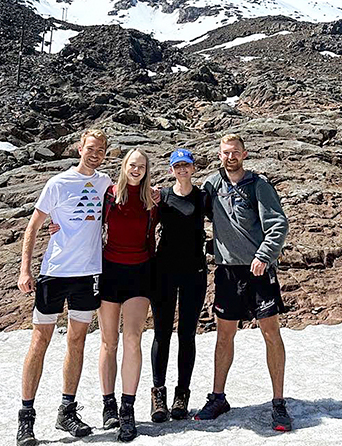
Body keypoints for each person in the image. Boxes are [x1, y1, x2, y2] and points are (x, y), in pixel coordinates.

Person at [16, 129, 111, 446]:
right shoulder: (58, 183)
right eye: (90, 148)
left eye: (101, 149)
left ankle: (67, 411)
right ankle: (26, 418)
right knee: (40, 340)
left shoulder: (105, 182)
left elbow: (129, 195)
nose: (95, 154)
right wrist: (25, 270)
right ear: (79, 148)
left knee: (77, 340)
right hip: (55, 273)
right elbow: (33, 226)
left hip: (88, 274)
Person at [194, 133, 293, 432]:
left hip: (258, 271)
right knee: (224, 336)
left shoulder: (258, 185)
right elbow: (191, 206)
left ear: (244, 154)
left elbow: (278, 223)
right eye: (226, 152)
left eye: (235, 151)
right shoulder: (212, 185)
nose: (231, 156)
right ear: (219, 155)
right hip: (227, 272)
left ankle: (278, 402)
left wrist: (264, 255)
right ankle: (218, 397)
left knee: (271, 333)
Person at [96, 149, 159, 442]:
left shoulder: (151, 200)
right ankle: (108, 404)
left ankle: (127, 409)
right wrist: (55, 224)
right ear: (124, 166)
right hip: (110, 271)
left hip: (140, 273)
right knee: (109, 342)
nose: (136, 170)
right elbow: (83, 218)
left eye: (141, 166)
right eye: (132, 165)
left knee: (133, 339)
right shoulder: (108, 196)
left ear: (147, 170)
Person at [149, 148, 207, 423]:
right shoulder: (161, 197)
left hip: (194, 272)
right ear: (171, 170)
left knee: (187, 333)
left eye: (186, 165)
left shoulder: (203, 197)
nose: (182, 169)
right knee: (161, 333)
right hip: (164, 272)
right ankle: (158, 394)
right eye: (177, 166)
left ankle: (181, 394)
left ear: (193, 168)